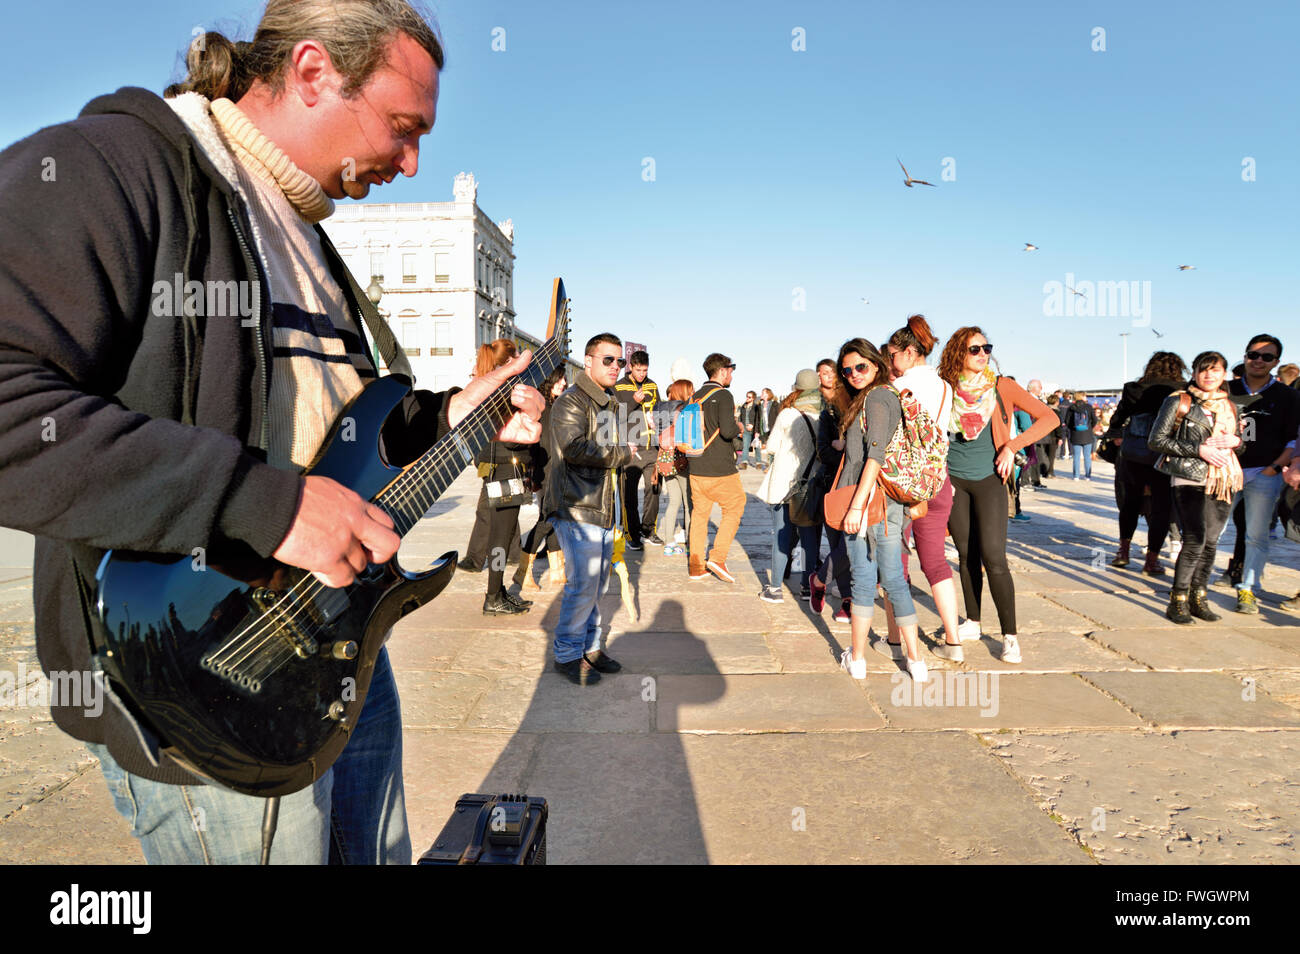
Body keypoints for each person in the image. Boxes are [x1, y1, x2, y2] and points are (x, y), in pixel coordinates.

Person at [0, 0, 545, 864]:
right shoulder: (114, 166)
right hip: (209, 677)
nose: (411, 163)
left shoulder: (306, 234)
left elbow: (345, 431)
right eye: (404, 129)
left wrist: (453, 417)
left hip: (337, 646)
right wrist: (262, 502)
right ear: (314, 71)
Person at [938, 328, 1057, 664]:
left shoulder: (1002, 385)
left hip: (991, 478)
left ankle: (1010, 636)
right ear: (958, 353)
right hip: (953, 480)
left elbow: (1049, 417)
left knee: (994, 557)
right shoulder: (945, 388)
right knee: (965, 553)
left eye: (986, 347)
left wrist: (1011, 445)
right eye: (974, 348)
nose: (982, 353)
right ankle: (973, 622)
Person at [543, 333, 638, 685]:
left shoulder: (608, 402)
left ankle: (591, 646)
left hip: (600, 505)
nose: (616, 367)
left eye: (620, 361)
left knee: (598, 584)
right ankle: (567, 654)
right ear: (589, 361)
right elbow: (576, 448)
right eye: (608, 360)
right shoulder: (572, 400)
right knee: (583, 584)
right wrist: (624, 453)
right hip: (576, 505)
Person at [831, 339, 928, 682]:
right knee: (892, 580)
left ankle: (858, 659)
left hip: (870, 502)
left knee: (869, 579)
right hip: (882, 503)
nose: (853, 374)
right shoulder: (872, 398)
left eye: (860, 366)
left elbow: (875, 455)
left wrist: (856, 504)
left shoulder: (877, 397)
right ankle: (914, 663)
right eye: (847, 369)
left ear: (875, 364)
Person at [880, 315, 963, 659]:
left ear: (909, 352)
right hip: (937, 480)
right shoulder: (945, 386)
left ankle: (897, 641)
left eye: (893, 355)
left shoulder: (898, 389)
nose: (891, 362)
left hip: (902, 485)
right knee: (936, 563)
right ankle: (953, 643)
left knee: (894, 562)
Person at [1147, 351, 1244, 623]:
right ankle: (1177, 599)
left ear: (1224, 374)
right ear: (1194, 373)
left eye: (1215, 370)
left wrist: (1237, 443)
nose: (1209, 375)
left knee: (1211, 543)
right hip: (1189, 477)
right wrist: (1198, 449)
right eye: (1204, 369)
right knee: (1194, 539)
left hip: (1223, 478)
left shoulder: (1231, 406)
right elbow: (1157, 441)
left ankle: (1198, 596)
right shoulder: (1180, 401)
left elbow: (1244, 442)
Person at [1224, 334, 1299, 613]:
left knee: (1256, 535)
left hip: (1264, 474)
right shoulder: (1224, 388)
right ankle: (1194, 586)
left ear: (1276, 362)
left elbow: (1293, 439)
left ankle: (1247, 589)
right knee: (1210, 532)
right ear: (1245, 356)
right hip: (1224, 471)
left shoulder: (1288, 396)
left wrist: (1273, 469)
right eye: (1254, 355)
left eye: (1267, 357)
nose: (1259, 361)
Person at [1104, 352, 1185, 574]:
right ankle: (1151, 560)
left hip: (1134, 455)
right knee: (1161, 508)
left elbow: (1117, 420)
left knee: (1130, 503)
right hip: (1165, 455)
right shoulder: (1181, 390)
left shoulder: (1133, 389)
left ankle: (1123, 551)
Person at [473, 340, 537, 615]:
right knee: (500, 537)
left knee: (503, 533)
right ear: (508, 362)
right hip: (505, 467)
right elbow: (509, 439)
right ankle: (493, 596)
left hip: (498, 468)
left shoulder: (485, 386)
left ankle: (498, 592)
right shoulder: (501, 392)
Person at [756, 370, 823, 603]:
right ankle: (807, 586)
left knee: (781, 536)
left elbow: (772, 446)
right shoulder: (823, 416)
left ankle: (775, 588)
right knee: (809, 538)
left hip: (783, 483)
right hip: (809, 485)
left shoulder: (787, 414)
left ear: (797, 388)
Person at [687, 354, 745, 583]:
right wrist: (739, 425)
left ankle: (695, 565)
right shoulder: (723, 394)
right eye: (731, 370)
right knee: (735, 506)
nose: (731, 374)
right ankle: (718, 558)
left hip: (696, 464)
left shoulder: (695, 395)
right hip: (720, 467)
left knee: (699, 515)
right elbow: (728, 431)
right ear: (721, 371)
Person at [515, 365, 569, 590]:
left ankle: (557, 570)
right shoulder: (542, 408)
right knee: (546, 521)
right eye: (559, 380)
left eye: (564, 380)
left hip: (561, 471)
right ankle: (523, 572)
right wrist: (534, 474)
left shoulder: (557, 406)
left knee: (557, 520)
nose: (564, 383)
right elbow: (540, 445)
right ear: (549, 380)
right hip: (548, 472)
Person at [809, 360, 854, 623]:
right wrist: (839, 448)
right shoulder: (827, 415)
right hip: (834, 483)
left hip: (861, 482)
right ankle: (847, 599)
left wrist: (846, 444)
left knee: (852, 544)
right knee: (839, 543)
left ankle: (820, 578)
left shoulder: (862, 409)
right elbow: (823, 451)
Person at [613, 350, 662, 549]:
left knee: (655, 489)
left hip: (652, 448)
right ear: (630, 367)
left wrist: (657, 421)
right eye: (638, 369)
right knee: (629, 495)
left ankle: (648, 530)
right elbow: (615, 415)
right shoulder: (619, 386)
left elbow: (660, 410)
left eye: (645, 370)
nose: (642, 374)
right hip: (630, 450)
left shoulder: (653, 385)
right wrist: (634, 400)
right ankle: (631, 534)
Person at [655, 380, 695, 555]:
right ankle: (690, 542)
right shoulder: (682, 408)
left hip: (665, 459)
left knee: (673, 502)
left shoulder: (660, 408)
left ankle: (669, 543)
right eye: (691, 389)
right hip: (680, 459)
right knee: (688, 503)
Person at [1067, 391, 1098, 479]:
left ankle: (1076, 476)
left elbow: (1067, 421)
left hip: (1076, 434)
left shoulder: (1071, 408)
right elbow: (1094, 419)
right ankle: (1087, 476)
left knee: (1076, 456)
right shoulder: (1088, 407)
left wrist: (1073, 429)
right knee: (1087, 456)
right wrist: (1089, 427)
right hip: (1087, 434)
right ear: (1082, 397)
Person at [755, 387, 778, 470]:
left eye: (763, 393)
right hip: (763, 429)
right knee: (768, 447)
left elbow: (778, 416)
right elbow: (757, 419)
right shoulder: (759, 405)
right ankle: (770, 465)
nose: (761, 394)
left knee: (772, 447)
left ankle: (771, 466)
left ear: (768, 394)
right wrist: (756, 431)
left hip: (772, 429)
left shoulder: (775, 404)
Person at [738, 390, 760, 469]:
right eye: (747, 396)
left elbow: (758, 419)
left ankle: (758, 463)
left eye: (749, 397)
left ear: (753, 398)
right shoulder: (743, 406)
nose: (747, 398)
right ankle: (744, 463)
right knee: (745, 446)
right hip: (745, 430)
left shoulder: (756, 407)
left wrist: (754, 427)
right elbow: (740, 418)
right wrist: (741, 428)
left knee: (756, 446)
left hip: (754, 430)